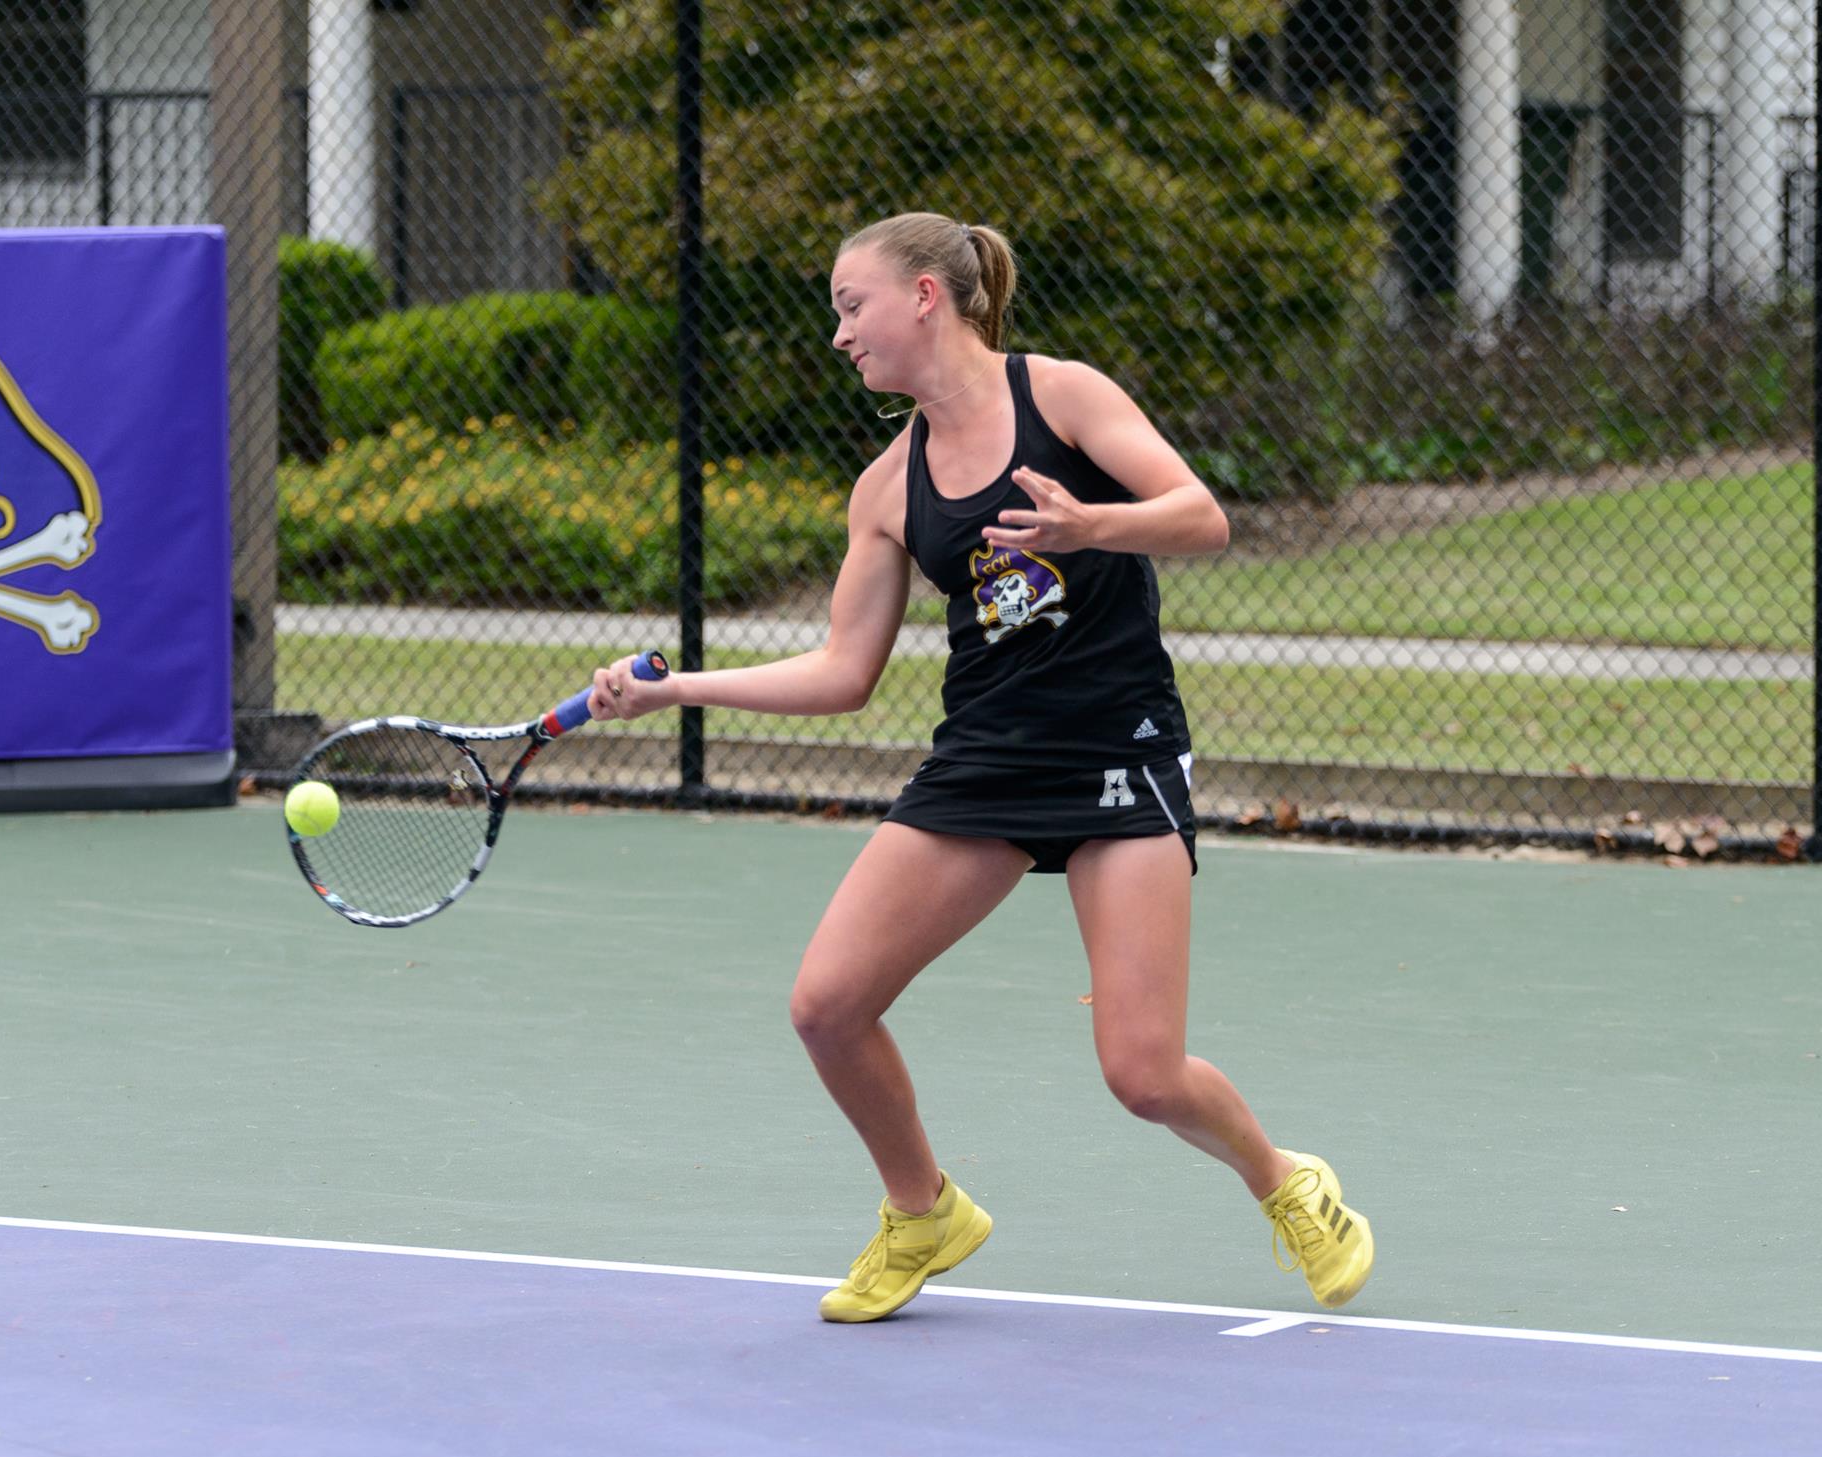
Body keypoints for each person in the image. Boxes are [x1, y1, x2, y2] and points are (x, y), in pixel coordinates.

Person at [586, 211, 1373, 1322]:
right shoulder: (886, 488)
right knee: (827, 1004)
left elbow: (1201, 520)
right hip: (986, 764)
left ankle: (1287, 1183)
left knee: (1143, 1074)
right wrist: (677, 690)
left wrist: (1087, 528)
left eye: (849, 306)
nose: (838, 336)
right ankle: (923, 1210)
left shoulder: (1062, 396)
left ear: (924, 297)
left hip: (1115, 751)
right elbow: (843, 670)